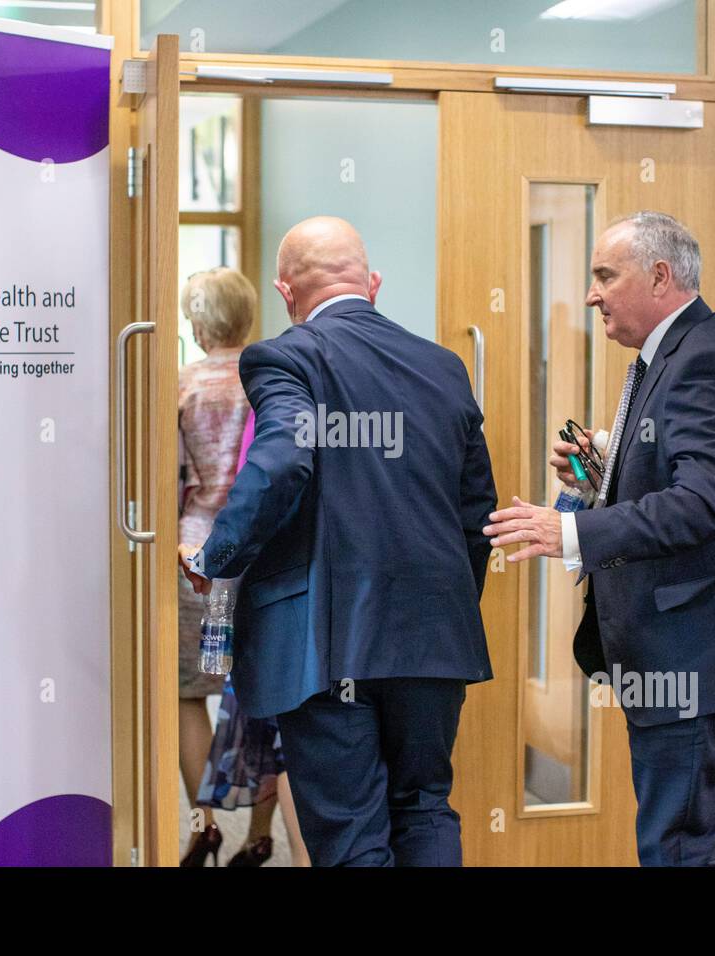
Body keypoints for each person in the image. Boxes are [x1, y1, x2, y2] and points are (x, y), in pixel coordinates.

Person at [483, 211, 715, 867]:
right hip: (692, 648)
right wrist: (603, 477)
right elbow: (691, 485)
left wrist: (570, 527)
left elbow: (705, 504)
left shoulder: (706, 361)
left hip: (697, 651)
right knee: (708, 830)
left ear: (660, 276)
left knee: (676, 844)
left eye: (606, 275)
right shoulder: (675, 354)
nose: (591, 293)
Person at [179, 216, 497, 867]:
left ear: (285, 290)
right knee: (425, 808)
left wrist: (216, 558)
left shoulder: (285, 356)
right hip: (434, 640)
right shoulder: (444, 366)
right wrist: (447, 607)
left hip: (327, 642)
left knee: (352, 833)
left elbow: (283, 462)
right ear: (372, 283)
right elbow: (477, 511)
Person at [195, 411, 311, 867]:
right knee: (283, 735)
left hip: (274, 586)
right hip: (317, 589)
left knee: (290, 742)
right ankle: (260, 839)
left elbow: (257, 493)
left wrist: (213, 562)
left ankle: (291, 854)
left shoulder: (275, 393)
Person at [175, 267, 254, 866]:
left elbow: (170, 482)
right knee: (268, 701)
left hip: (198, 558)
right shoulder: (272, 380)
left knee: (190, 693)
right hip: (260, 557)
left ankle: (203, 822)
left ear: (199, 324)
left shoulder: (182, 387)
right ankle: (261, 836)